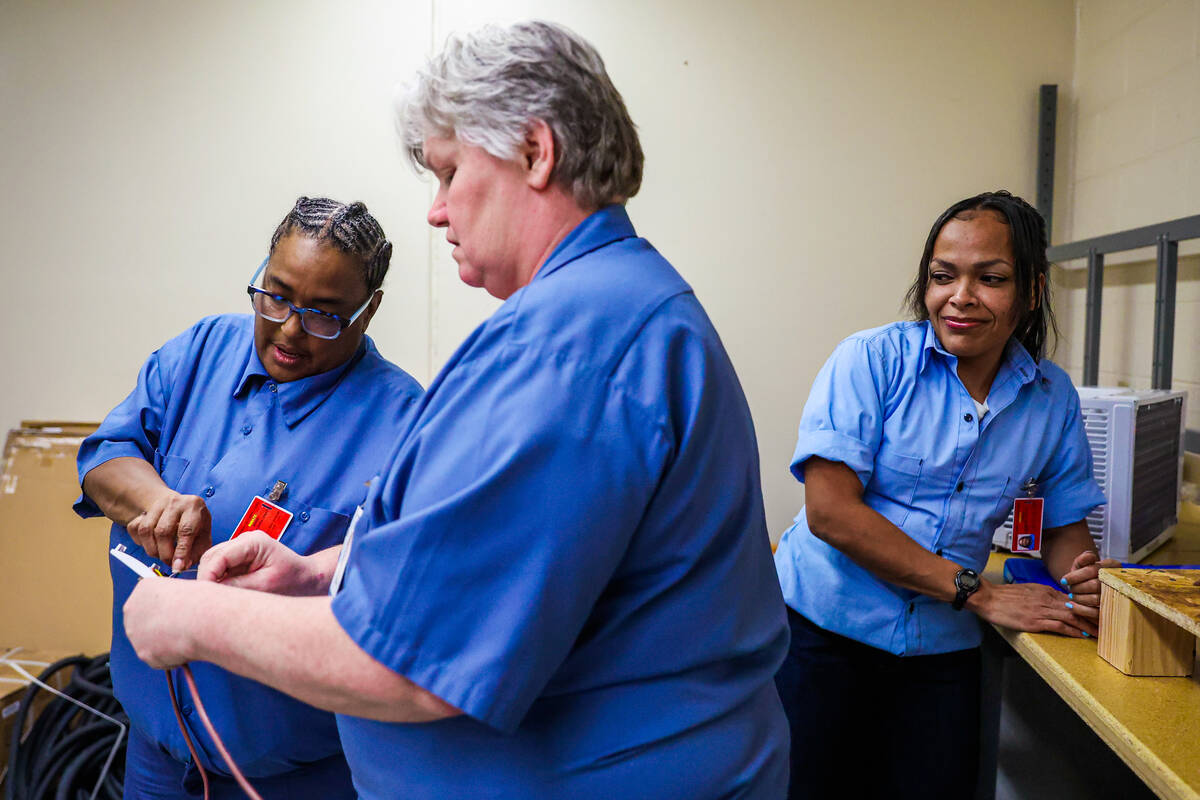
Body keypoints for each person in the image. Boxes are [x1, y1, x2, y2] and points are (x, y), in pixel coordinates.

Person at [120, 21, 790, 799]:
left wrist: (187, 619)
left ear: (535, 153)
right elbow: (520, 555)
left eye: (449, 174)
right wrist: (322, 572)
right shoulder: (624, 307)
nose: (436, 212)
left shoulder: (566, 349)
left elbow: (411, 665)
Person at [75, 197, 423, 799]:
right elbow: (104, 457)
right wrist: (157, 500)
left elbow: (398, 598)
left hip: (295, 779)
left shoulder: (405, 424)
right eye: (277, 294)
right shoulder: (201, 350)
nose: (290, 328)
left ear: (368, 312)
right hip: (155, 762)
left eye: (324, 314)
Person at [771, 190, 1113, 799]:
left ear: (1031, 291)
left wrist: (1084, 584)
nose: (960, 296)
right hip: (823, 634)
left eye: (991, 278)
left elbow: (1062, 527)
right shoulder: (870, 360)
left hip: (941, 648)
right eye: (943, 276)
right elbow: (830, 512)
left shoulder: (1051, 398)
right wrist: (977, 592)